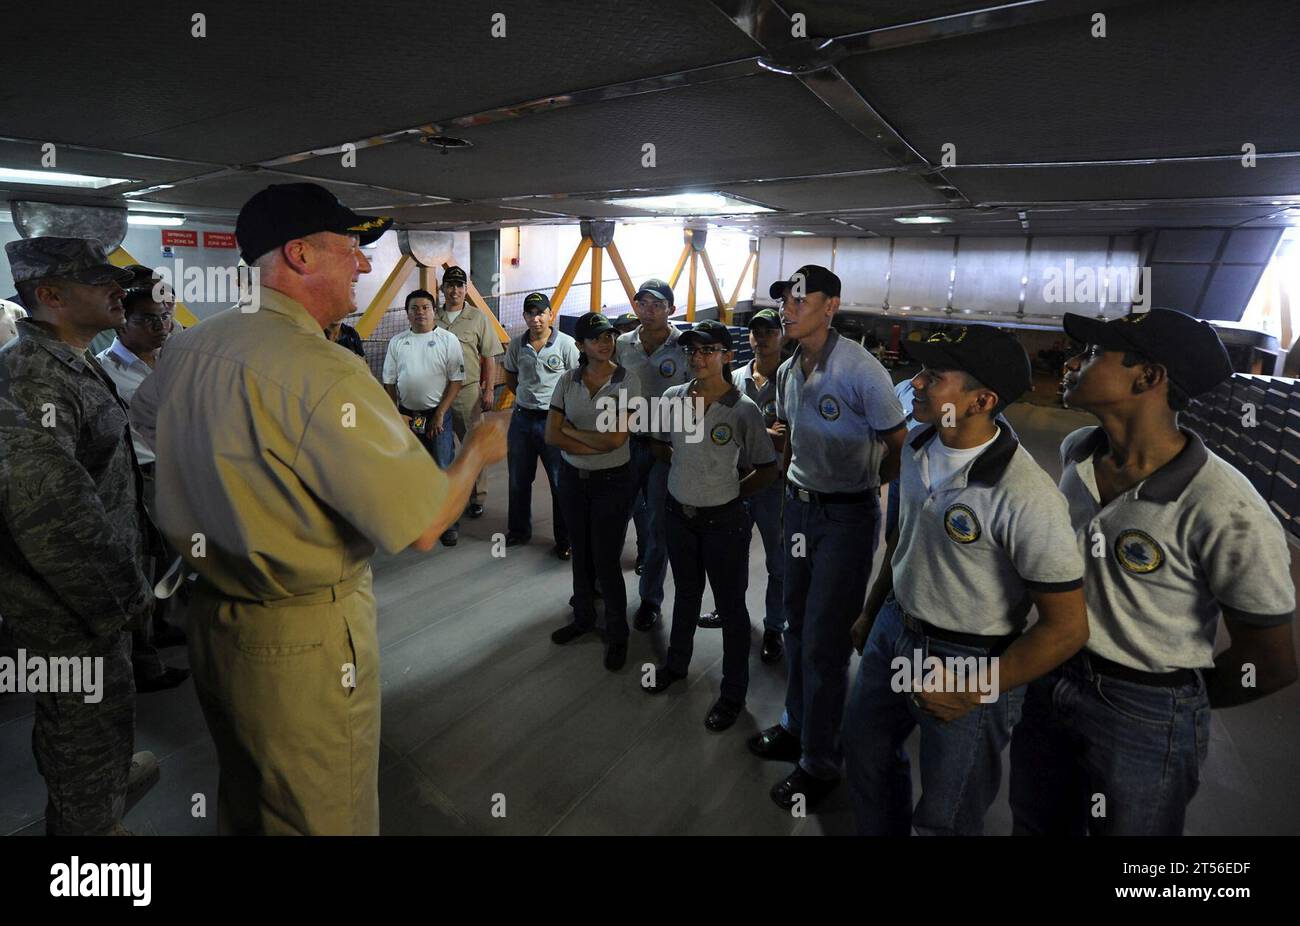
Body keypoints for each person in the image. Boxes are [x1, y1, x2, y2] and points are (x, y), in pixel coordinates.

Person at [130, 182, 507, 835]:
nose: (364, 264)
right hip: (299, 644)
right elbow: (422, 527)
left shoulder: (190, 347)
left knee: (248, 803)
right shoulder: (321, 369)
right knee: (318, 815)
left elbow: (148, 422)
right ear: (300, 255)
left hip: (215, 625)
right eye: (352, 249)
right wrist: (475, 451)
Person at [1010, 309, 1298, 836]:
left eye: (1095, 354)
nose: (1073, 363)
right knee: (1035, 824)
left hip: (1146, 710)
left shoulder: (1224, 506)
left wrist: (1170, 705)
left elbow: (1272, 662)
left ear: (1147, 377)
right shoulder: (1079, 453)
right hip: (1053, 679)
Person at [843, 325, 1088, 835]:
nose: (915, 382)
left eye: (933, 376)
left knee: (947, 811)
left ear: (982, 400)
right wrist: (873, 611)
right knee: (866, 757)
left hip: (968, 658)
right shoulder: (915, 444)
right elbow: (902, 539)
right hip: (894, 628)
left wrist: (979, 687)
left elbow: (1066, 628)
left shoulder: (1026, 496)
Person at [0, 236, 160, 835]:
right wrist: (125, 598)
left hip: (87, 602)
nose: (119, 291)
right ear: (49, 295)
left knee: (96, 724)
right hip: (68, 609)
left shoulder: (72, 357)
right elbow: (52, 516)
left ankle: (100, 805)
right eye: (101, 283)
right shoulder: (35, 377)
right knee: (81, 737)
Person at [747, 265, 907, 811]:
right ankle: (796, 725)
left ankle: (820, 762)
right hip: (799, 508)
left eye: (798, 299)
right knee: (796, 626)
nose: (787, 309)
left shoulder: (861, 370)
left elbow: (897, 441)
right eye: (783, 301)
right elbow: (791, 437)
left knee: (824, 643)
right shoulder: (791, 369)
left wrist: (864, 490)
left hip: (845, 519)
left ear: (830, 306)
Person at [642, 320, 779, 730]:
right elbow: (658, 444)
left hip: (724, 523)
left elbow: (767, 470)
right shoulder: (672, 397)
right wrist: (689, 477)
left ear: (727, 355)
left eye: (708, 350)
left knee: (732, 607)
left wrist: (728, 494)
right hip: (679, 516)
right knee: (685, 593)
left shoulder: (744, 410)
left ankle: (733, 693)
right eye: (692, 351)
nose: (698, 358)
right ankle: (676, 664)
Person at [96, 266, 190, 692]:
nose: (160, 326)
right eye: (148, 318)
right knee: (142, 563)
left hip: (181, 472)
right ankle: (143, 657)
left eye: (165, 316)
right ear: (124, 322)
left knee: (174, 555)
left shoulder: (175, 359)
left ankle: (164, 624)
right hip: (142, 478)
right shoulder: (104, 370)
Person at [546, 312, 639, 671]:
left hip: (612, 482)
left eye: (609, 336)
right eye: (597, 338)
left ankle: (618, 633)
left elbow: (616, 440)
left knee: (605, 558)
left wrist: (574, 434)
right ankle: (582, 616)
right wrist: (590, 441)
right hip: (573, 480)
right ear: (581, 345)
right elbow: (551, 435)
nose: (606, 342)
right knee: (580, 553)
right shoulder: (567, 381)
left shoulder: (628, 381)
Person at [700, 307, 787, 665]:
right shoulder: (733, 378)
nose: (760, 337)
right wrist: (764, 432)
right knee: (729, 556)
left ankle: (774, 626)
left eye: (768, 331)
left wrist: (750, 432)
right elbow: (720, 429)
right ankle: (728, 610)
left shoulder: (792, 379)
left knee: (778, 562)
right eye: (755, 331)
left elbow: (790, 440)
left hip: (775, 485)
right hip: (735, 482)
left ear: (782, 335)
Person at [616, 279, 690, 630]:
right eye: (642, 303)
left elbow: (696, 398)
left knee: (658, 526)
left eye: (656, 304)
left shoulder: (684, 348)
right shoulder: (622, 344)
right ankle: (606, 585)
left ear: (671, 310)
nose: (647, 310)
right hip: (628, 445)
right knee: (616, 515)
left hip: (665, 449)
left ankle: (650, 599)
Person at [382, 289, 466, 545]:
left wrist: (440, 414)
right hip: (408, 417)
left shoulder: (448, 340)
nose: (420, 312)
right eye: (414, 308)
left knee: (442, 467)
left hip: (437, 415)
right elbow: (389, 381)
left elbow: (456, 380)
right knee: (413, 471)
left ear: (433, 311)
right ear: (407, 314)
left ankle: (448, 524)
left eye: (425, 307)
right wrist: (398, 416)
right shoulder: (397, 342)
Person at [502, 292, 579, 558]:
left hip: (554, 420)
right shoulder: (516, 345)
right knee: (518, 479)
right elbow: (511, 377)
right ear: (524, 316)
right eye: (530, 313)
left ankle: (565, 539)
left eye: (541, 313)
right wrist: (527, 399)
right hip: (522, 420)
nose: (536, 319)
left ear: (550, 315)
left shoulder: (566, 344)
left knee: (560, 481)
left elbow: (577, 380)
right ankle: (518, 531)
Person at [437, 265, 504, 520]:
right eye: (450, 285)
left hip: (468, 393)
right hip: (438, 393)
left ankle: (477, 497)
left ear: (466, 289)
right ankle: (448, 496)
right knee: (441, 448)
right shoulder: (434, 317)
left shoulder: (477, 318)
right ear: (443, 288)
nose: (454, 290)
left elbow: (489, 357)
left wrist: (488, 390)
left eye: (459, 285)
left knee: (473, 446)